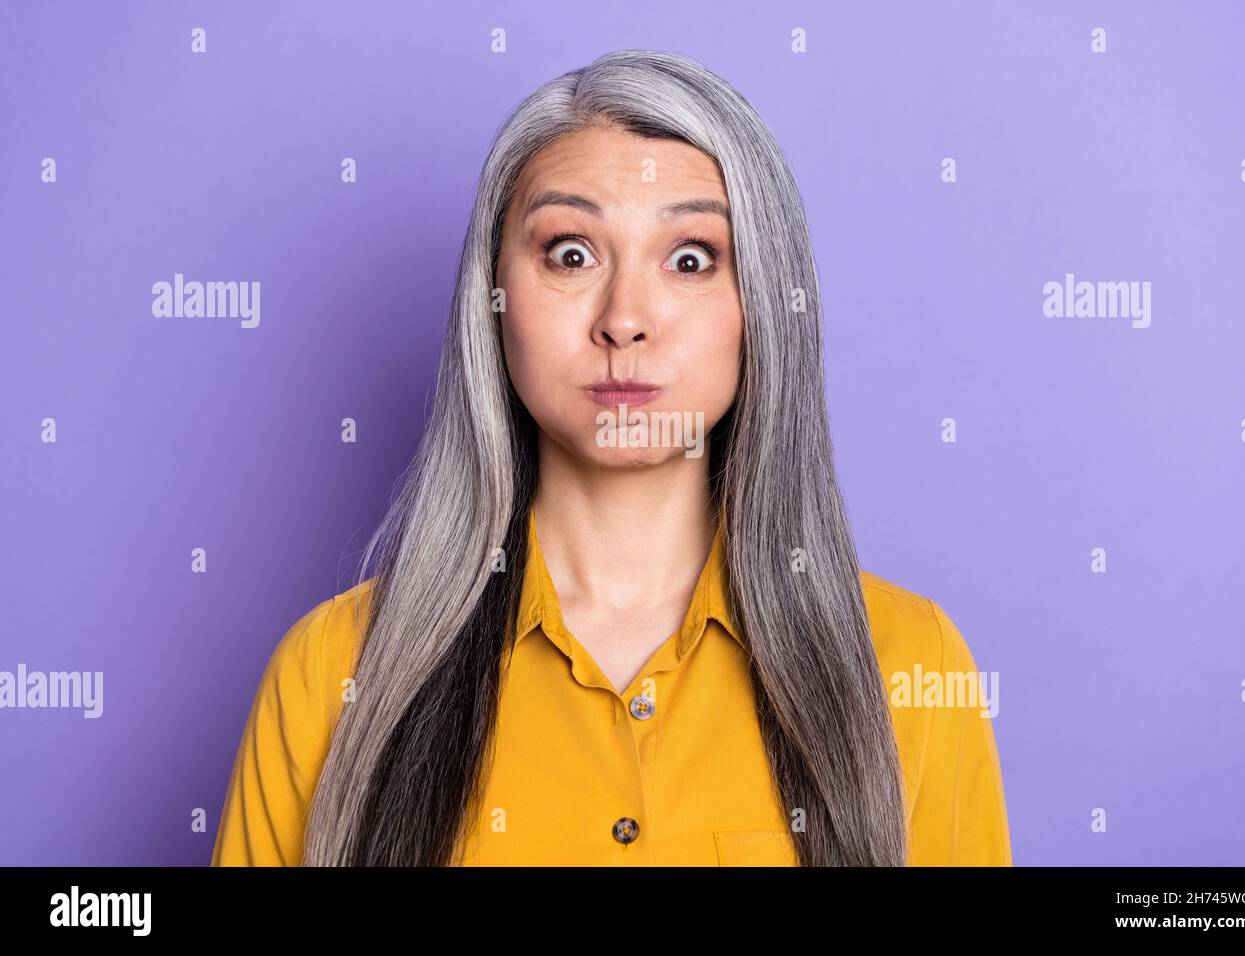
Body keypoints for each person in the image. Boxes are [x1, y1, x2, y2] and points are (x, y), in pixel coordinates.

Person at [211, 49, 1012, 867]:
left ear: (764, 305)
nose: (624, 319)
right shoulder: (331, 674)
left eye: (690, 258)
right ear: (493, 302)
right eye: (571, 253)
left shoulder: (909, 664)